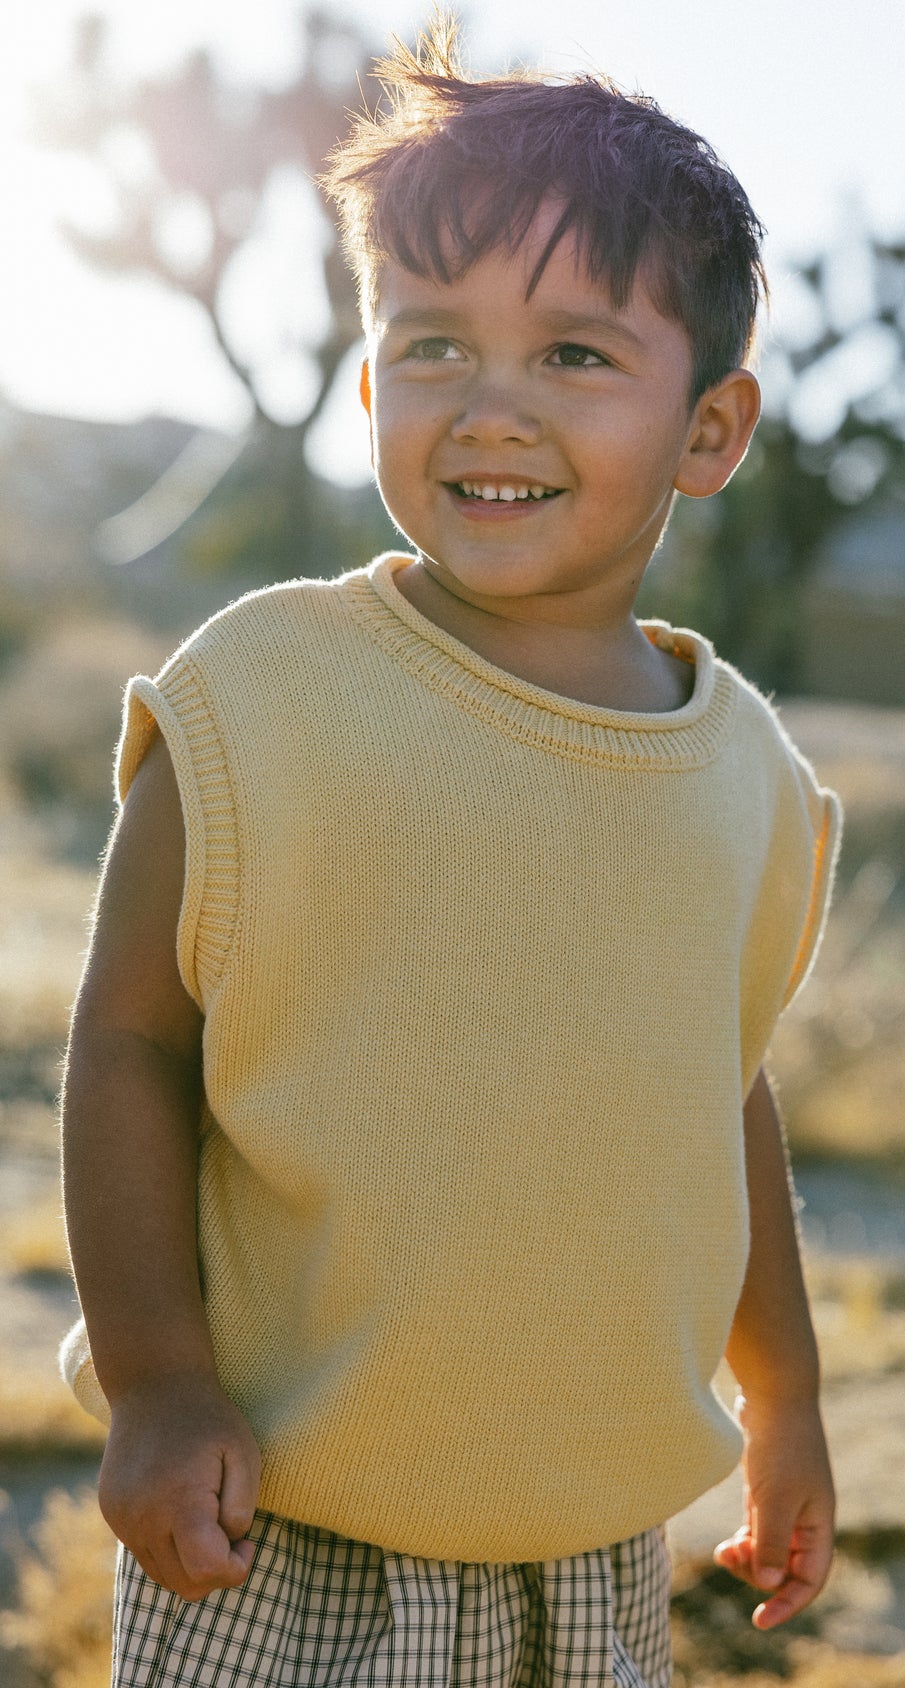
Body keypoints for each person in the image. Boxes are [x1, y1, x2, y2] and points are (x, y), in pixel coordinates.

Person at [59, 16, 844, 1685]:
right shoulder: (262, 693)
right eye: (433, 346)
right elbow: (128, 1043)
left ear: (709, 431)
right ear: (367, 384)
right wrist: (157, 1382)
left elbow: (722, 1092)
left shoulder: (748, 777)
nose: (491, 409)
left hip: (590, 1554)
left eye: (573, 356)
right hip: (275, 1536)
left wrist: (785, 1402)